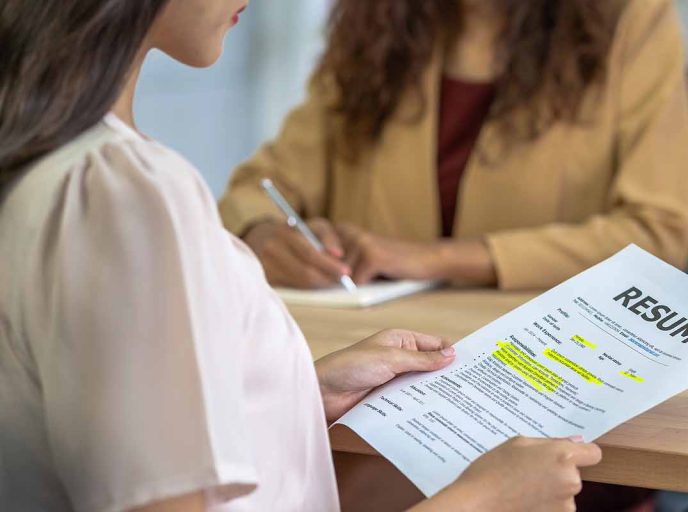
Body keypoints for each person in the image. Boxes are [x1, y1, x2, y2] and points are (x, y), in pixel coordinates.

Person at [0, 1, 602, 511]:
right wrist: (482, 499)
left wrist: (290, 392)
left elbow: (90, 420)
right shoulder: (126, 195)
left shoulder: (51, 163)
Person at [217, 0, 688, 291]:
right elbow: (257, 190)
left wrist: (435, 257)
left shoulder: (631, 20)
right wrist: (263, 233)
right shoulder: (374, 28)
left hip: (548, 364)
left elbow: (657, 234)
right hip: (375, 355)